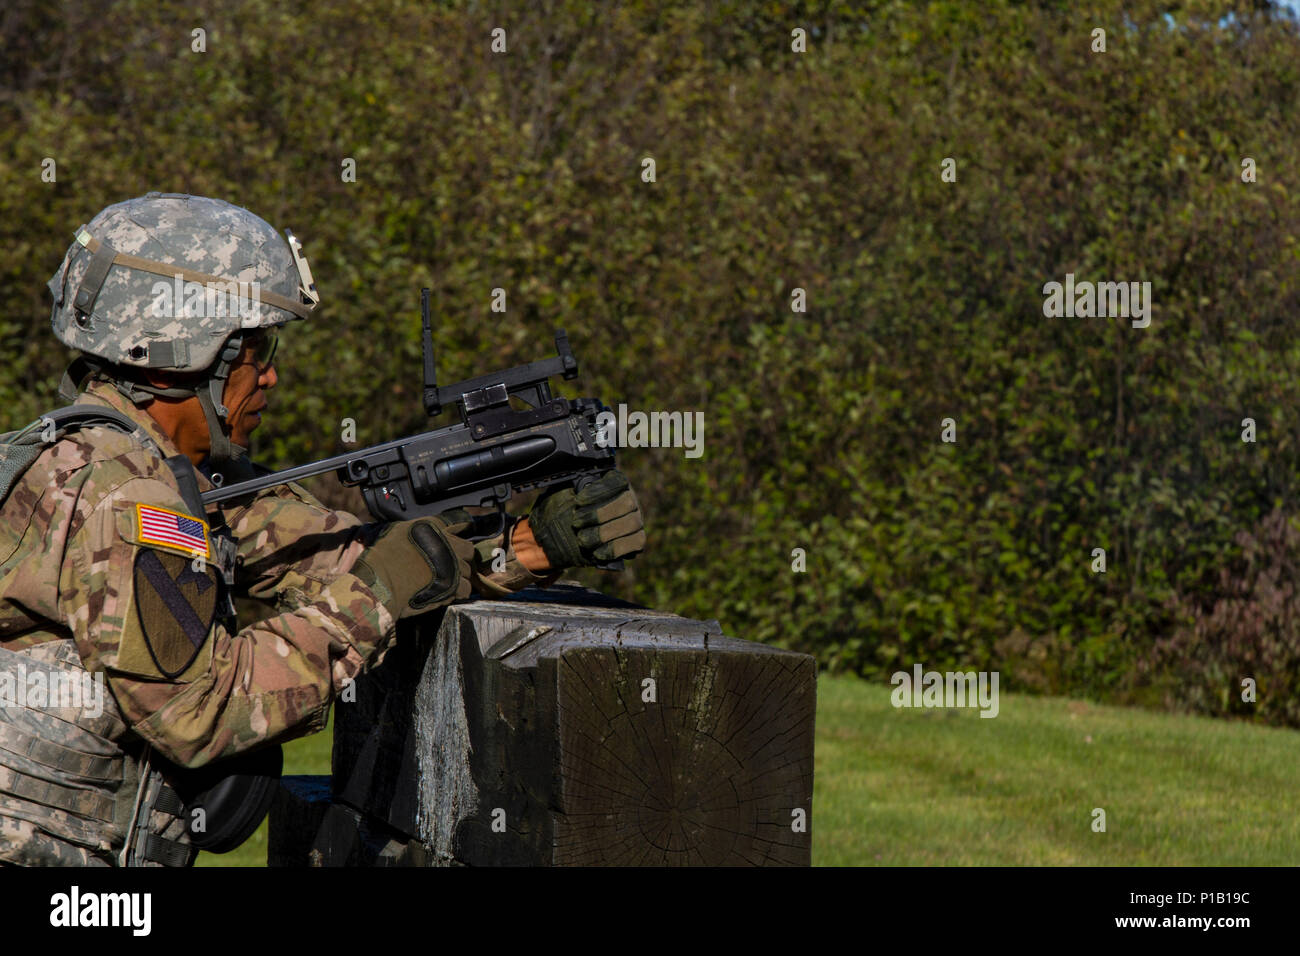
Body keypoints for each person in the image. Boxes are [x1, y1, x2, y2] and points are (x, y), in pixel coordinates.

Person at [0, 193, 645, 866]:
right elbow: (200, 712)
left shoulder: (126, 465)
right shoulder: (126, 498)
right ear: (184, 354)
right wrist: (382, 592)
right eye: (256, 349)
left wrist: (528, 549)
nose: (271, 374)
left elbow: (340, 556)